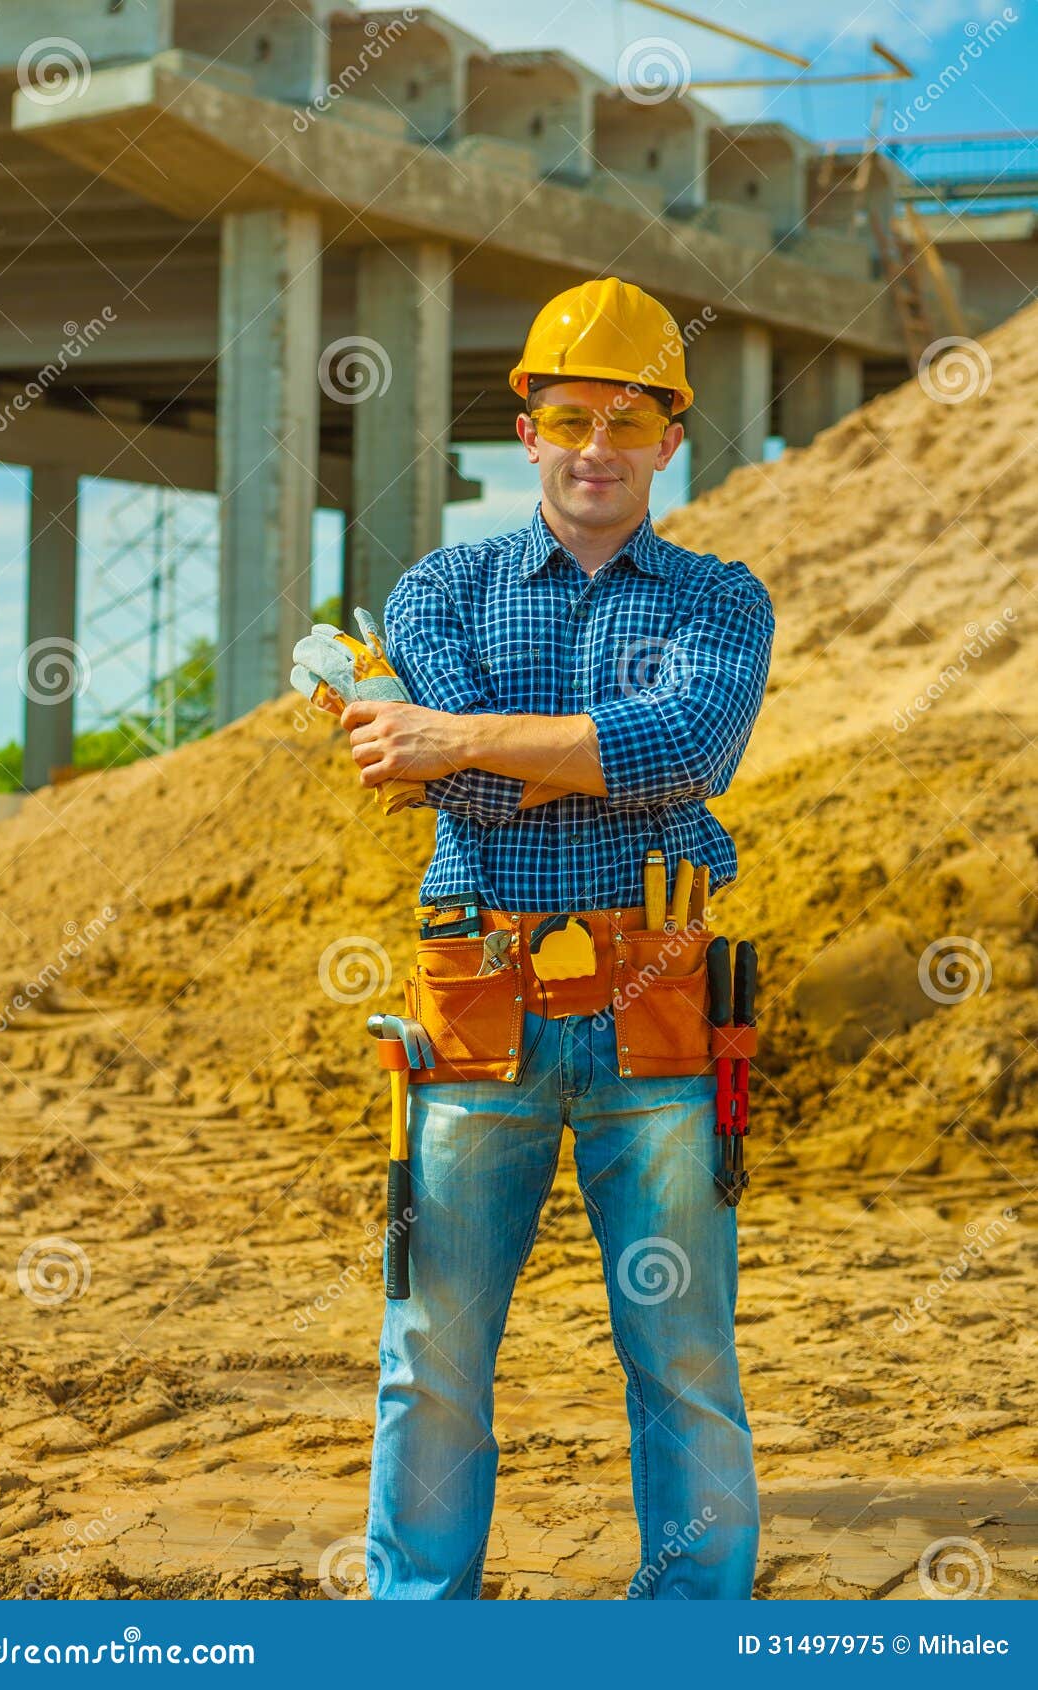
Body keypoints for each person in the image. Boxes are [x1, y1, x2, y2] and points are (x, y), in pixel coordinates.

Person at [336, 277, 774, 1599]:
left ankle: (691, 1637)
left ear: (670, 439)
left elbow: (690, 750)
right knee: (433, 1353)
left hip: (662, 1003)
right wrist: (592, 760)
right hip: (478, 1005)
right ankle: (420, 1633)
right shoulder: (440, 590)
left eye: (627, 421)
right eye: (572, 417)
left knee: (686, 1354)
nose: (598, 448)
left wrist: (458, 739)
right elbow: (491, 788)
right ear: (526, 429)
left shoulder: (722, 599)